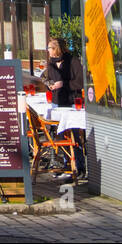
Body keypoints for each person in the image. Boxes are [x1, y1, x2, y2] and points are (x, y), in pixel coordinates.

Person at [43, 37, 86, 177]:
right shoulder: (51, 64)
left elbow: (80, 82)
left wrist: (64, 85)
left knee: (73, 134)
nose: (47, 51)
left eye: (49, 48)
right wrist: (49, 84)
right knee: (59, 133)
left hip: (71, 102)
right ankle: (64, 163)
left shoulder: (72, 62)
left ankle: (79, 166)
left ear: (56, 49)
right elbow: (45, 78)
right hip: (57, 102)